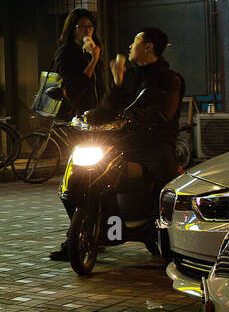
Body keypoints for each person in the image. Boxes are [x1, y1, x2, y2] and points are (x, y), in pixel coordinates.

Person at [48, 27, 183, 261]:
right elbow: (110, 108)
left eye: (135, 42)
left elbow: (164, 113)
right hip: (123, 144)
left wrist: (133, 119)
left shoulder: (168, 78)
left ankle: (173, 243)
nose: (130, 47)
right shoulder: (130, 75)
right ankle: (81, 235)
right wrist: (98, 106)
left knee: (168, 187)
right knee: (83, 178)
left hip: (153, 145)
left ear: (148, 47)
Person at [51, 8, 105, 120]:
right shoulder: (66, 52)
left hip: (93, 114)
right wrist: (94, 60)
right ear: (72, 29)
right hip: (73, 114)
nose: (87, 30)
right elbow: (75, 86)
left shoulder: (91, 52)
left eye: (90, 26)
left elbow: (98, 84)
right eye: (81, 26)